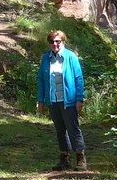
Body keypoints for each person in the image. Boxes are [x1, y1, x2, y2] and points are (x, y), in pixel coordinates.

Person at [36, 30, 87, 171]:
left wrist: (79, 99)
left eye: (58, 41)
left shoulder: (70, 57)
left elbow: (78, 78)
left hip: (68, 100)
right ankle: (64, 159)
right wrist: (41, 100)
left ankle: (80, 158)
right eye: (52, 42)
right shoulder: (46, 58)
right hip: (53, 100)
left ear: (63, 41)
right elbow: (41, 79)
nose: (55, 44)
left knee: (73, 129)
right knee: (60, 130)